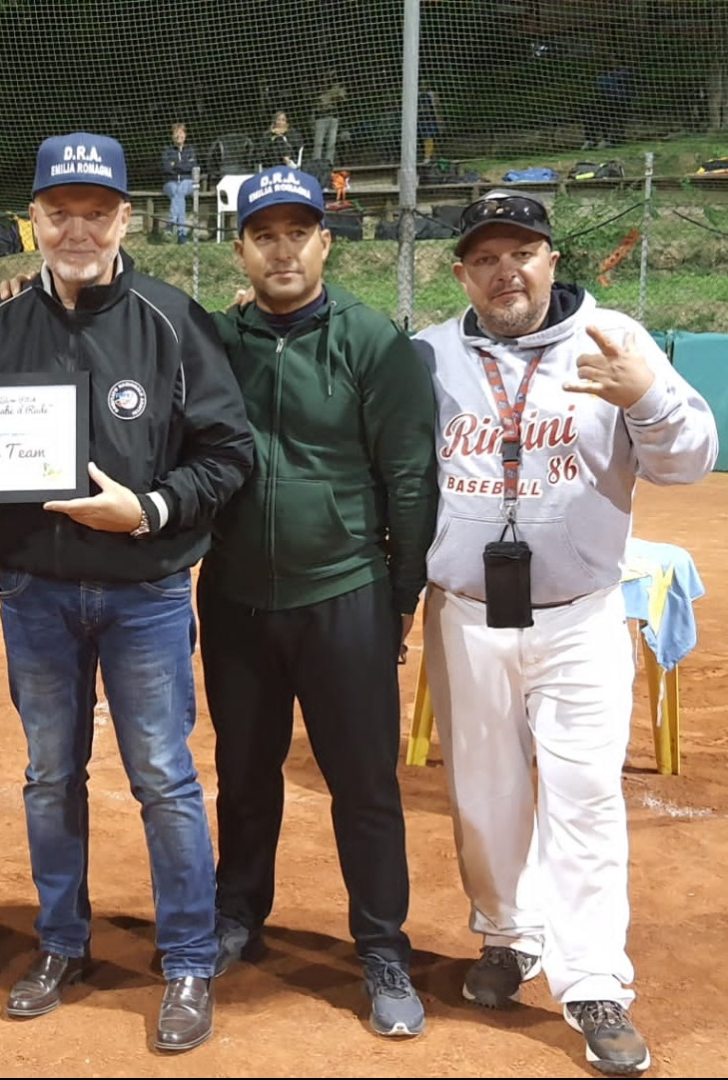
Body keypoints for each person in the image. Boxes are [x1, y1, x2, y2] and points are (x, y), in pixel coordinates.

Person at [0, 132, 255, 1052]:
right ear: (33, 221)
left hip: (146, 594)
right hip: (37, 595)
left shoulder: (172, 319)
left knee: (164, 779)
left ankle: (191, 959)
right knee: (50, 776)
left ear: (126, 217)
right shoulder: (0, 326)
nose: (77, 227)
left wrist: (153, 509)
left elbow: (229, 453)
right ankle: (60, 943)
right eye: (59, 211)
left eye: (96, 211)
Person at [414, 190, 718, 1075]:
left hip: (581, 613)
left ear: (551, 258)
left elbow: (690, 458)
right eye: (484, 258)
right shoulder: (430, 355)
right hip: (466, 611)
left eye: (523, 252)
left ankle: (593, 983)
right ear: (464, 272)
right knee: (483, 796)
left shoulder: (614, 338)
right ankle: (508, 937)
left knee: (584, 796)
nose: (505, 270)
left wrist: (650, 396)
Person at [199, 167, 438, 1039]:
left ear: (326, 243)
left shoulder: (375, 342)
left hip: (345, 593)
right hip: (232, 597)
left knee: (365, 785)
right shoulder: (213, 339)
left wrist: (399, 595)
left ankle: (381, 944)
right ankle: (238, 917)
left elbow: (411, 478)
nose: (282, 248)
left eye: (298, 232)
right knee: (244, 775)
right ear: (242, 249)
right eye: (265, 234)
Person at [160, 122, 199, 244]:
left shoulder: (191, 151)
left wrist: (175, 165)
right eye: (176, 133)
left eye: (181, 132)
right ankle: (182, 234)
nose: (179, 135)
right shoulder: (167, 151)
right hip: (170, 183)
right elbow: (166, 168)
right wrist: (182, 166)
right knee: (178, 192)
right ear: (172, 136)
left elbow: (192, 167)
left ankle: (171, 224)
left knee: (180, 189)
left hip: (188, 182)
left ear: (185, 135)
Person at [313, 72, 348, 164]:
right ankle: (317, 162)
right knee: (318, 142)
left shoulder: (338, 87)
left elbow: (341, 98)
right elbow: (319, 102)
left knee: (331, 143)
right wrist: (332, 97)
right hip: (321, 117)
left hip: (333, 116)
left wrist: (330, 99)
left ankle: (329, 163)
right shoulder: (319, 88)